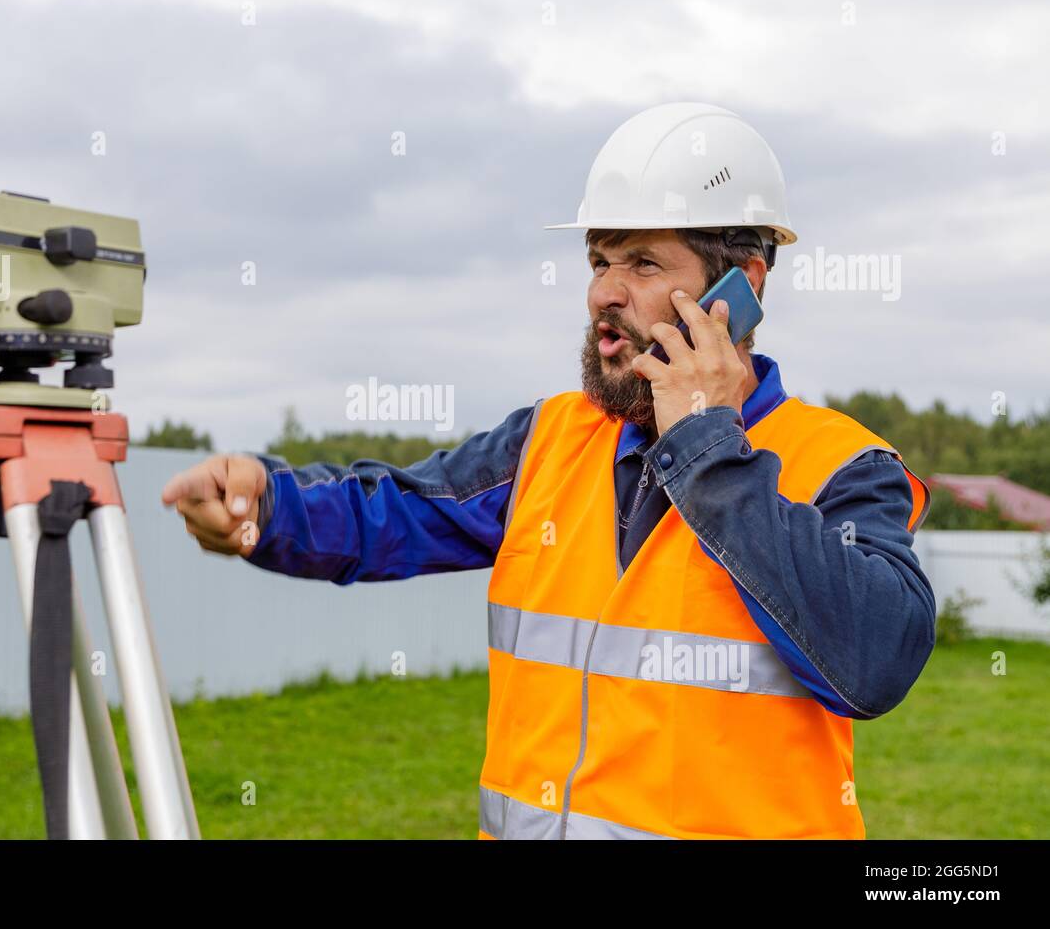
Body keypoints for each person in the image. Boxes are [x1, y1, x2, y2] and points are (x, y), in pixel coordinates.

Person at [161, 102, 935, 840]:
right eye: (599, 259)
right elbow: (394, 512)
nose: (604, 292)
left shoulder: (843, 465)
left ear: (744, 287)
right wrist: (267, 503)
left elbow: (871, 661)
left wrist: (706, 445)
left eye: (641, 261)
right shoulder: (550, 439)